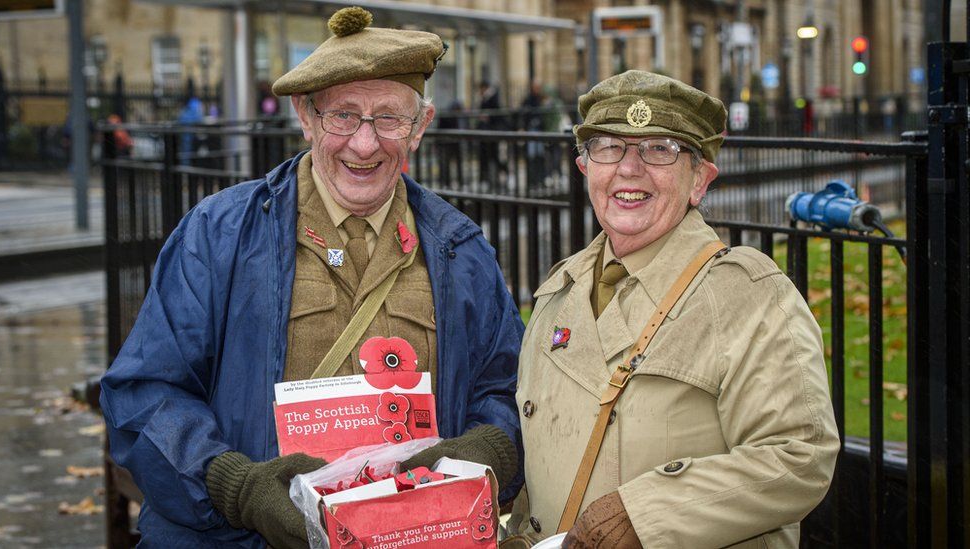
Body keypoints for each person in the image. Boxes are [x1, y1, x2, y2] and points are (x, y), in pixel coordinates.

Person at [100, 7, 523, 548]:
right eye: (342, 115)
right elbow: (146, 391)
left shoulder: (459, 249)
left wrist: (490, 448)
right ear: (305, 116)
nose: (365, 144)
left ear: (420, 127)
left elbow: (505, 388)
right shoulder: (219, 233)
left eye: (389, 118)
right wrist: (237, 489)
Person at [506, 70, 839, 548]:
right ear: (585, 169)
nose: (628, 168)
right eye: (608, 147)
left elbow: (799, 455)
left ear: (699, 180)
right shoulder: (560, 290)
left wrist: (647, 515)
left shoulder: (748, 294)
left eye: (659, 149)